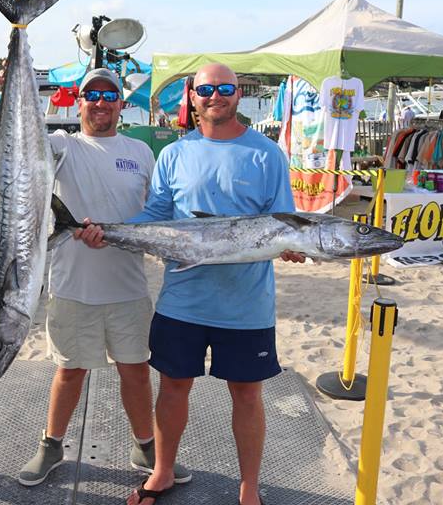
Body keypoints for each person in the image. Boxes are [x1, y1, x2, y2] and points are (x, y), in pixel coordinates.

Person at [81, 63, 305, 505]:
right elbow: (156, 215)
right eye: (206, 89)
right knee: (173, 386)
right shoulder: (174, 154)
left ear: (238, 94)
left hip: (246, 304)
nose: (215, 96)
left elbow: (284, 222)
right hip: (182, 299)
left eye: (225, 88)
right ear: (193, 96)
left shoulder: (267, 154)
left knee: (247, 393)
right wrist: (110, 231)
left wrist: (292, 247)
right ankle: (162, 472)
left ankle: (249, 488)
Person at [17, 68, 192, 488]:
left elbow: (157, 212)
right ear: (79, 103)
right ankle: (51, 444)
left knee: (136, 370)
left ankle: (144, 444)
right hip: (72, 286)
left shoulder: (141, 152)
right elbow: (23, 143)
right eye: (91, 95)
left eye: (109, 95)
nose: (100, 102)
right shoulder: (62, 145)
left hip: (128, 286)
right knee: (69, 371)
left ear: (121, 104)